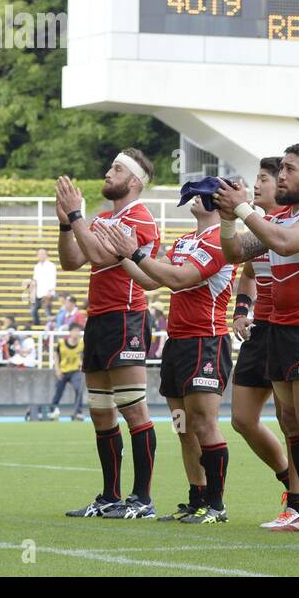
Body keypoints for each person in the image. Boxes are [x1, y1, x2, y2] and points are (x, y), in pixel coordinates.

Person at [215, 143, 299, 535]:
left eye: (289, 169)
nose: (281, 176)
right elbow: (236, 251)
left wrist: (244, 209)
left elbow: (288, 243)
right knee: (291, 422)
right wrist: (229, 219)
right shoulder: (286, 215)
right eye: (281, 169)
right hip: (280, 328)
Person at [98, 192, 237, 524]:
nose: (195, 197)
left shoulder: (219, 240)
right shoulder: (185, 241)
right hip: (177, 343)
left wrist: (132, 251)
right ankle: (197, 497)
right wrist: (123, 255)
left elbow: (178, 279)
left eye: (204, 193)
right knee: (183, 426)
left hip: (206, 340)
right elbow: (152, 280)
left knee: (204, 422)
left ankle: (216, 504)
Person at [57, 149, 162, 519]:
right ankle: (110, 496)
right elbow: (72, 261)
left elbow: (101, 257)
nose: (107, 172)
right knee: (101, 412)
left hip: (126, 318)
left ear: (134, 181)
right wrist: (66, 225)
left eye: (116, 169)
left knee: (134, 409)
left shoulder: (139, 216)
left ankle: (142, 499)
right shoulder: (103, 218)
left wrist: (76, 216)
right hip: (100, 319)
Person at [228, 158, 299, 530]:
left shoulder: (292, 223)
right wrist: (241, 310)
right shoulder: (264, 225)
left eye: (264, 179)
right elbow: (244, 270)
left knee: (292, 419)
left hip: (293, 328)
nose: (256, 185)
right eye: (255, 178)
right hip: (261, 330)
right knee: (242, 419)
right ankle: (290, 477)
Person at [50, 322, 86, 420]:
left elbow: (84, 356)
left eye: (79, 332)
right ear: (70, 332)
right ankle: (53, 410)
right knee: (58, 390)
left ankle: (78, 412)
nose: (77, 333)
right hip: (63, 371)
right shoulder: (61, 343)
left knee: (79, 388)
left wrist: (82, 362)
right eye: (75, 331)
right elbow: (56, 355)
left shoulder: (82, 344)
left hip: (75, 371)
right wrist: (57, 369)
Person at [30, 248, 57, 327]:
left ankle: (50, 325)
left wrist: (49, 292)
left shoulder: (51, 266)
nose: (41, 256)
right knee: (33, 310)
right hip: (38, 293)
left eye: (43, 254)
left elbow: (53, 279)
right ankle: (36, 324)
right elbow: (35, 280)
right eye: (39, 254)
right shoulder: (37, 267)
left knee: (47, 311)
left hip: (47, 292)